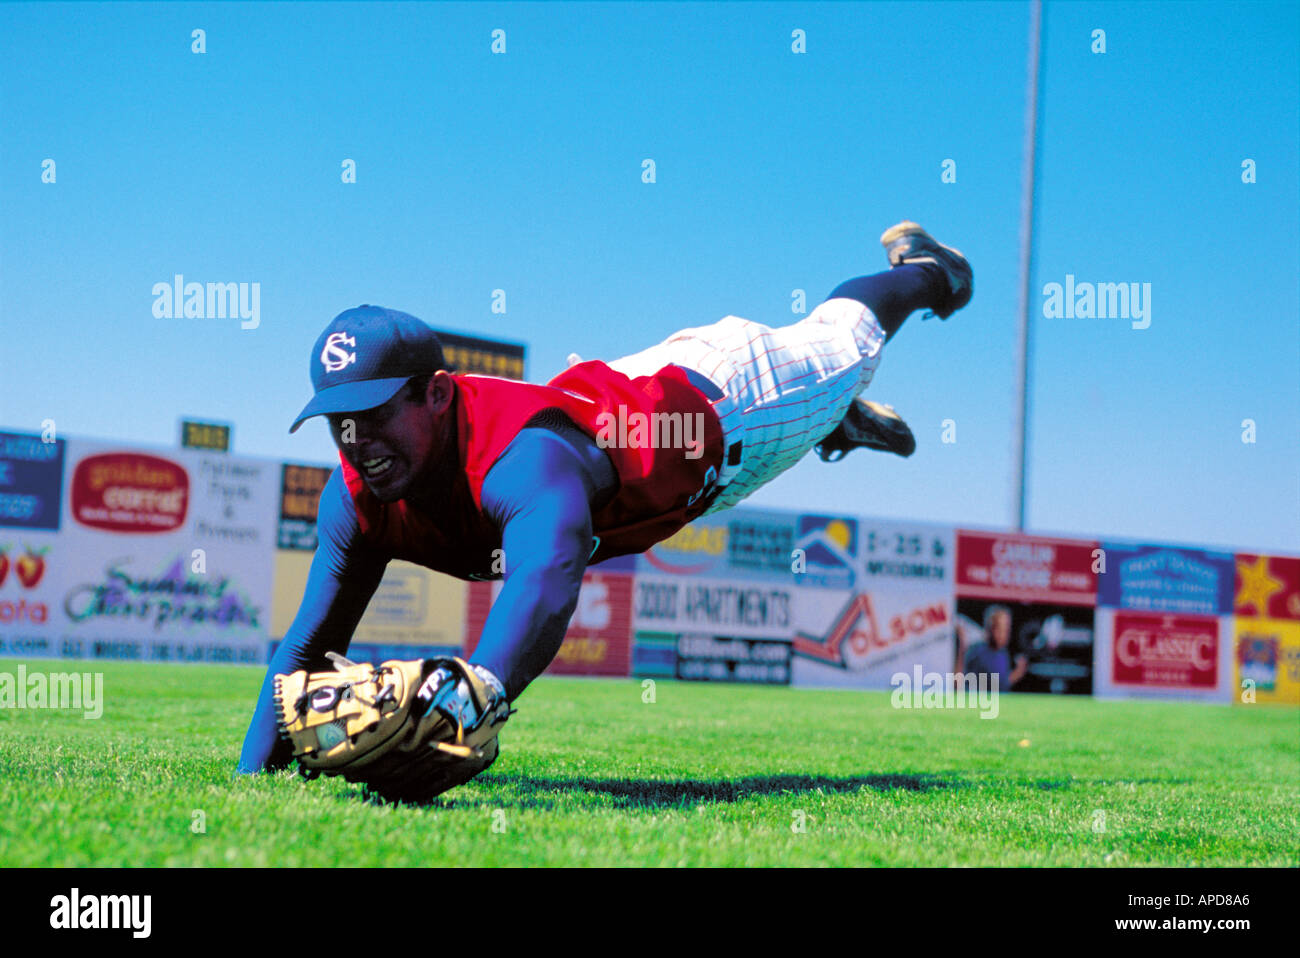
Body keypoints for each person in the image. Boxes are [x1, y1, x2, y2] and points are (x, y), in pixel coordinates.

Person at [238, 220, 973, 774]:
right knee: (814, 388)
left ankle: (931, 276)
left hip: (730, 405)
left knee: (843, 336)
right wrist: (252, 778)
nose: (356, 440)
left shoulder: (523, 461)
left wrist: (474, 697)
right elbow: (310, 641)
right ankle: (831, 418)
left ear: (436, 394)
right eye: (340, 422)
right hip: (644, 424)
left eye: (374, 415)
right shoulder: (358, 494)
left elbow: (545, 580)